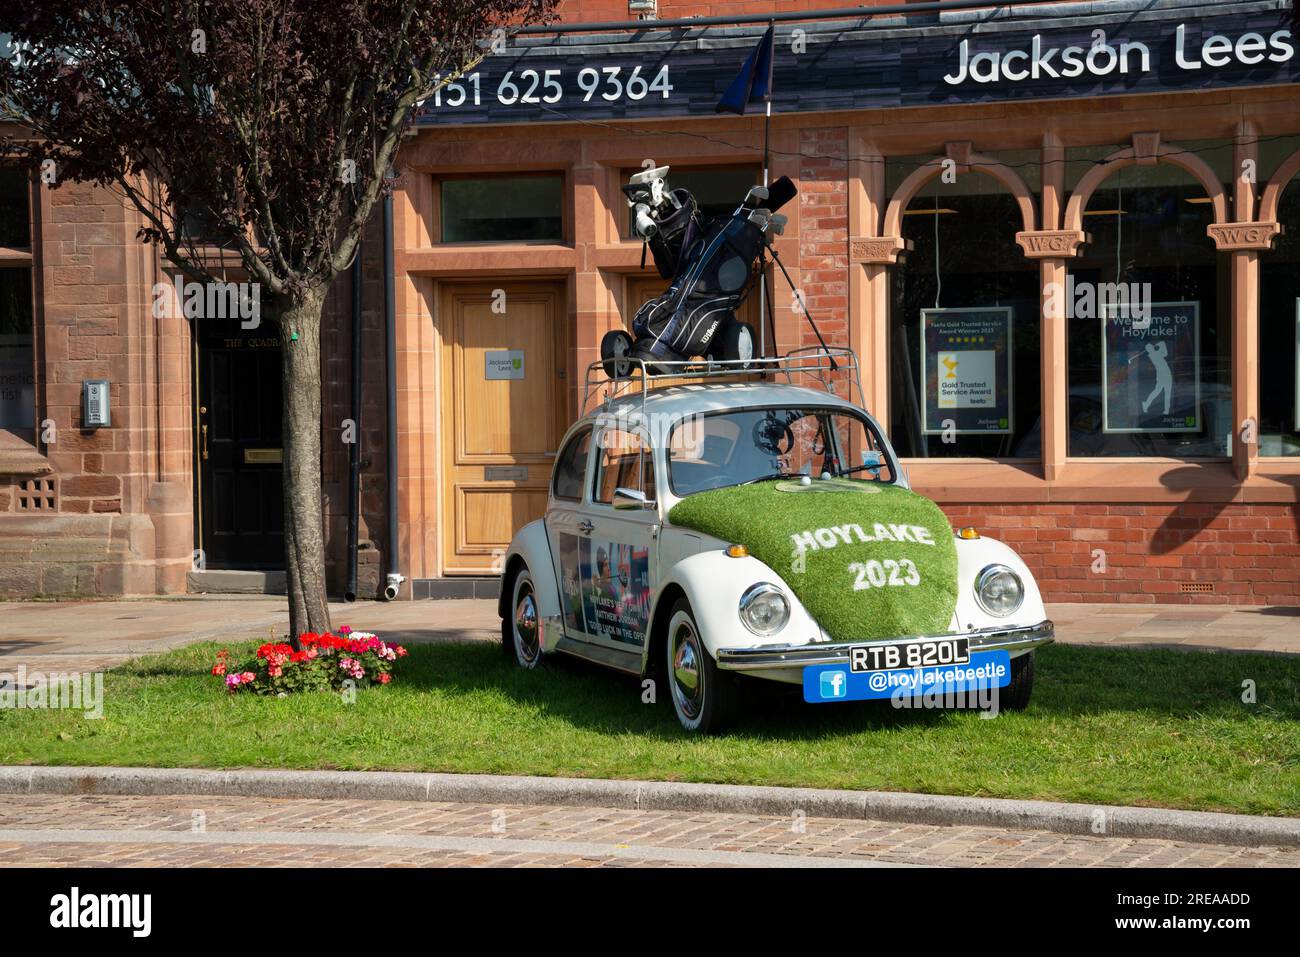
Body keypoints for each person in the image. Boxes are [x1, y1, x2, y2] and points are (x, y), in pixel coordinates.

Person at [1141, 340, 1172, 417]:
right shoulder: (1154, 354)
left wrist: (1157, 345)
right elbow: (1164, 350)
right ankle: (1146, 404)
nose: (1152, 348)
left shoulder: (1154, 353)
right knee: (1157, 392)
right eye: (1150, 347)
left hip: (1167, 374)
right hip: (1162, 375)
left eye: (1152, 346)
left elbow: (1163, 346)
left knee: (1167, 393)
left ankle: (1166, 410)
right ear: (1149, 350)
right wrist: (1158, 345)